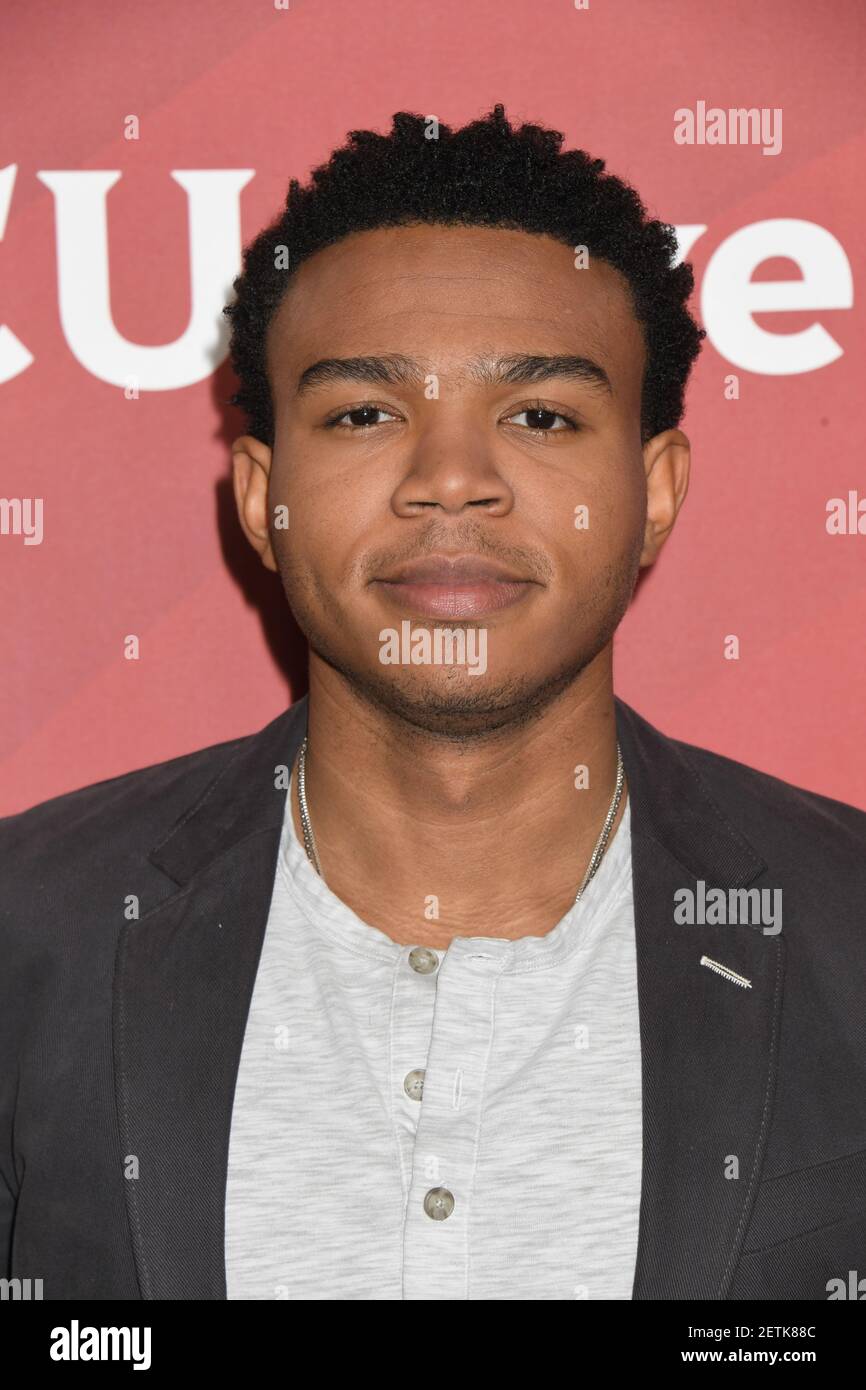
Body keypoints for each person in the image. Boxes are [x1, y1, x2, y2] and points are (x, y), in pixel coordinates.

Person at [1, 106, 864, 1302]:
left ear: (654, 491)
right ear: (262, 498)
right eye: (364, 413)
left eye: (540, 415)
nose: (448, 477)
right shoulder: (28, 934)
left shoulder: (843, 923)